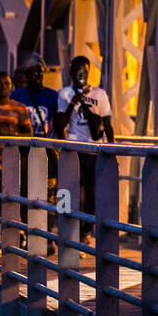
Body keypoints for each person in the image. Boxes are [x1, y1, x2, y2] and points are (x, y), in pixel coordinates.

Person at [55, 56, 114, 238]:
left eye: (85, 71)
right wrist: (74, 100)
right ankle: (66, 227)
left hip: (93, 150)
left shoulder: (99, 94)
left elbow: (107, 124)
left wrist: (113, 151)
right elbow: (60, 124)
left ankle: (86, 230)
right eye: (78, 71)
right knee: (67, 190)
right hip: (73, 149)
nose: (82, 75)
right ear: (72, 73)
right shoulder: (64, 93)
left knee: (91, 193)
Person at [12, 54, 59, 137]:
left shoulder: (53, 96)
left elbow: (57, 124)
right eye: (35, 72)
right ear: (27, 75)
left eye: (41, 72)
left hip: (44, 145)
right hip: (22, 146)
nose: (39, 75)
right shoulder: (16, 96)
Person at [0, 71, 34, 136]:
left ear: (11, 86)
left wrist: (13, 136)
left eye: (6, 83)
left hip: (12, 146)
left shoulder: (20, 108)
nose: (3, 86)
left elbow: (29, 134)